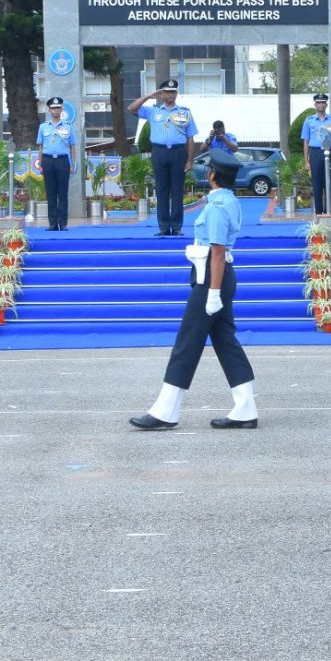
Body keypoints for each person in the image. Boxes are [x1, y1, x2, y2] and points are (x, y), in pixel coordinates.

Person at [129, 147, 259, 431]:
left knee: (186, 343)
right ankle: (246, 407)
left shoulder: (216, 207)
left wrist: (212, 292)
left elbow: (216, 250)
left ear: (213, 175)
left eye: (208, 169)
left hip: (211, 277)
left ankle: (166, 410)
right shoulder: (229, 201)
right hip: (219, 275)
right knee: (225, 341)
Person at [133, 79, 199, 236]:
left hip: (178, 153)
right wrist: (148, 96)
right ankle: (163, 227)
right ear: (161, 94)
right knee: (161, 190)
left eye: (173, 92)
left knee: (177, 191)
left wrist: (190, 160)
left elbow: (190, 138)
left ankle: (176, 227)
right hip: (159, 152)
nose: (170, 94)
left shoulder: (185, 112)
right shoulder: (153, 110)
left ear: (176, 94)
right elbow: (132, 108)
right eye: (167, 92)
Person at [35, 97, 76, 232]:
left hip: (63, 161)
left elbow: (72, 147)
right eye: (53, 108)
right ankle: (52, 224)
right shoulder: (43, 127)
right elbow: (40, 147)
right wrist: (40, 163)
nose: (56, 110)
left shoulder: (68, 126)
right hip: (48, 161)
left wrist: (72, 163)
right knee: (51, 193)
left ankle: (63, 224)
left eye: (58, 108)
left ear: (61, 109)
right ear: (49, 110)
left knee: (63, 194)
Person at [299, 92, 331, 218]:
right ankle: (318, 214)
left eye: (323, 102)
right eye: (318, 103)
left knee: (329, 184)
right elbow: (306, 141)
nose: (321, 105)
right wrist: (306, 161)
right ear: (315, 105)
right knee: (317, 185)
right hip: (316, 153)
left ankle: (328, 212)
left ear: (326, 104)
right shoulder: (309, 120)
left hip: (330, 152)